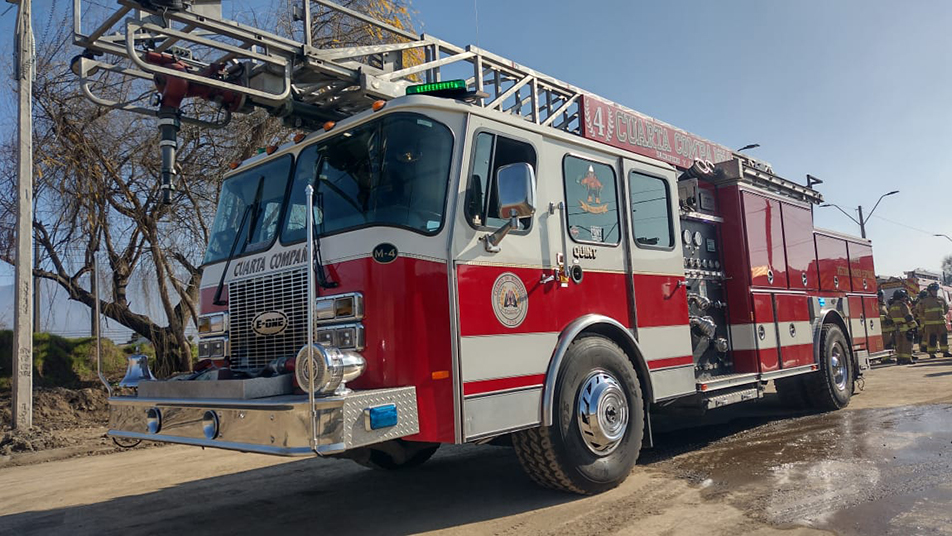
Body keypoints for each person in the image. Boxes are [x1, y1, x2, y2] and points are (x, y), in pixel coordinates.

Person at [919, 282, 951, 358]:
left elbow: (946, 309)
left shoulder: (941, 299)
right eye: (933, 290)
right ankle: (932, 353)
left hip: (941, 323)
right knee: (932, 338)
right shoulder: (924, 301)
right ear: (930, 291)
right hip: (930, 324)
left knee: (943, 337)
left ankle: (945, 351)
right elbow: (921, 312)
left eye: (936, 290)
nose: (935, 292)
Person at [889, 288, 917, 365]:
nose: (905, 298)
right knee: (907, 344)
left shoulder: (891, 307)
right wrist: (914, 326)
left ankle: (899, 359)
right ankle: (907, 359)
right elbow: (909, 317)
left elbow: (890, 318)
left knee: (899, 345)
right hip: (906, 328)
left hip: (897, 329)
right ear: (901, 297)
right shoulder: (903, 305)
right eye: (904, 297)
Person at [879, 289, 896, 355]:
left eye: (882, 296)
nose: (882, 298)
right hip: (882, 329)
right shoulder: (876, 305)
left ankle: (888, 356)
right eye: (881, 296)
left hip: (887, 329)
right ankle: (885, 359)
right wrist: (885, 318)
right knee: (885, 344)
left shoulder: (883, 305)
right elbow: (875, 317)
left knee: (889, 344)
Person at [914, 290, 929, 355]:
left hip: (920, 322)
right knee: (926, 336)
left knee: (922, 336)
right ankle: (924, 347)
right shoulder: (922, 303)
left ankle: (923, 347)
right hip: (924, 322)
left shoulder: (919, 303)